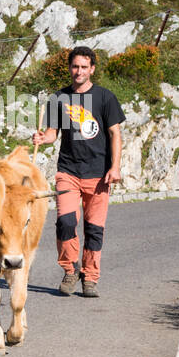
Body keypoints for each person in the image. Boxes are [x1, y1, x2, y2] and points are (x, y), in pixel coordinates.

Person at [31, 45, 125, 299]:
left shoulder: (106, 98)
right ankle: (70, 270)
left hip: (98, 174)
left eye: (84, 67)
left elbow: (115, 133)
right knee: (66, 222)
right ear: (69, 68)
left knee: (94, 228)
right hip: (68, 172)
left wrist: (115, 167)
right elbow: (52, 134)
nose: (79, 71)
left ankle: (90, 277)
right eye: (75, 66)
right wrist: (43, 137)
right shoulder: (58, 98)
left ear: (92, 69)